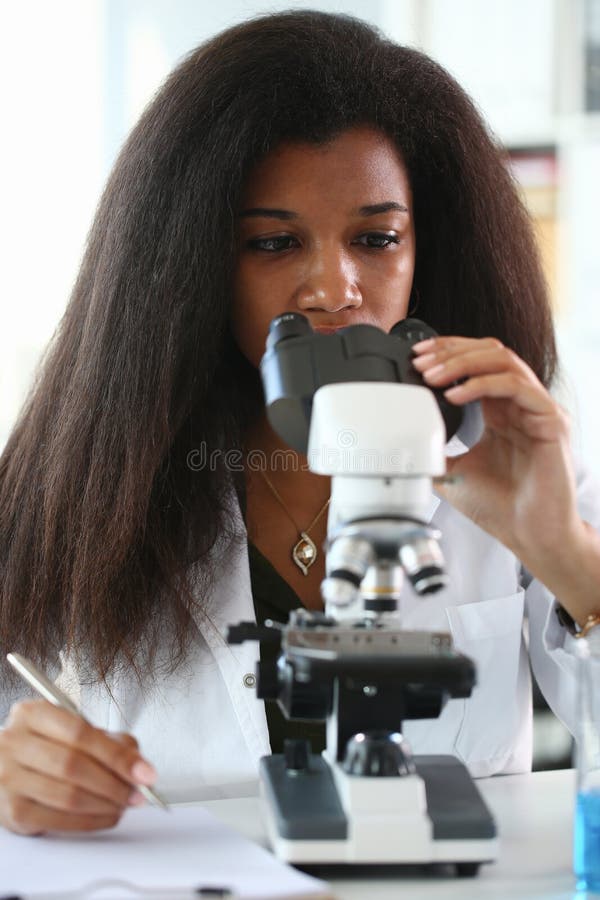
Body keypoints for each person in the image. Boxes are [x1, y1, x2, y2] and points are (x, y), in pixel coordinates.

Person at [1, 9, 599, 837]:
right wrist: (13, 767)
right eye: (276, 245)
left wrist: (567, 555)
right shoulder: (80, 474)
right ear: (192, 261)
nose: (335, 288)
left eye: (376, 237)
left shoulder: (513, 450)